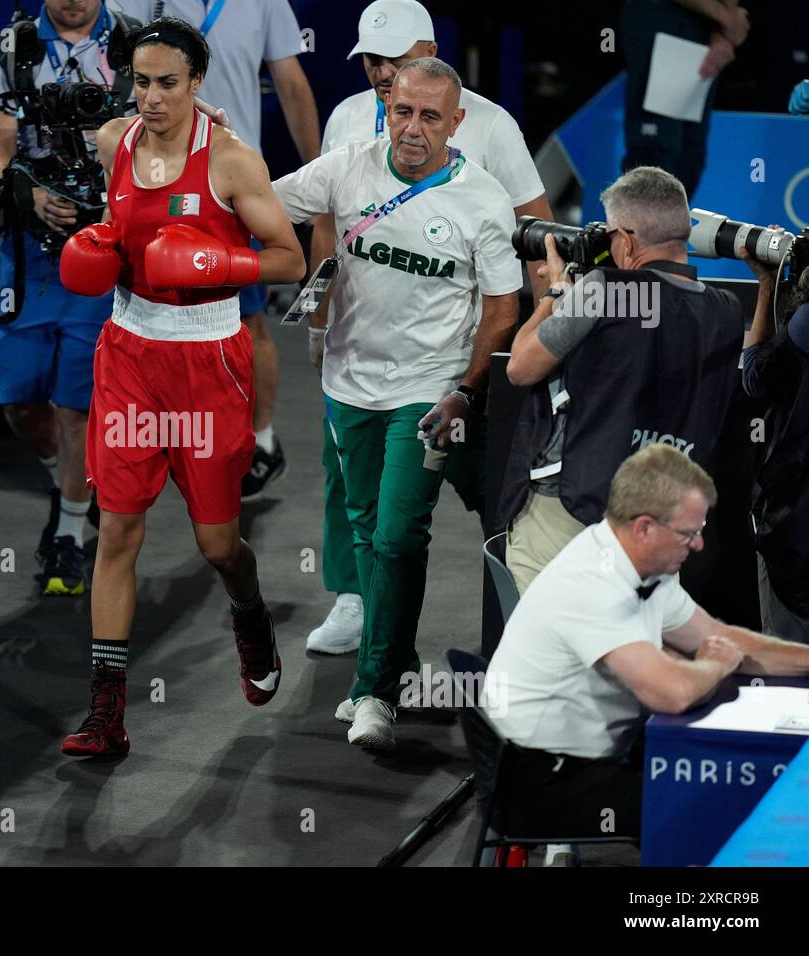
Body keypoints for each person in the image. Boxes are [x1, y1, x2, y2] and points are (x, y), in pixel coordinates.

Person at [56, 17, 306, 756]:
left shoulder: (232, 161)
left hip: (209, 364)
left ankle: (250, 612)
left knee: (217, 542)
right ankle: (106, 712)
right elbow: (116, 219)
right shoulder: (114, 143)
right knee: (118, 529)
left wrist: (212, 265)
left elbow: (291, 260)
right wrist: (102, 241)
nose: (153, 97)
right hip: (131, 356)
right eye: (141, 82)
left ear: (199, 82)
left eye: (168, 83)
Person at [273, 57, 521, 749]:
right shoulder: (344, 168)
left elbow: (502, 308)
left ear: (457, 122)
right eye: (402, 111)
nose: (412, 128)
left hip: (427, 393)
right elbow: (256, 202)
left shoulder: (481, 201)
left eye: (430, 117)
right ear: (387, 106)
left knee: (396, 535)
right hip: (348, 386)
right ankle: (400, 660)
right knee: (364, 530)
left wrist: (465, 389)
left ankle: (374, 690)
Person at [304, 0, 553, 655]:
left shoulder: (492, 127)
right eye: (372, 60)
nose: (383, 72)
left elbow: (538, 231)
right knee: (348, 479)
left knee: (486, 483)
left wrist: (550, 333)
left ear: (432, 49)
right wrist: (316, 314)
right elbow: (327, 220)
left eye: (396, 58)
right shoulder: (347, 119)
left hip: (456, 355)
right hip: (359, 344)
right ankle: (355, 598)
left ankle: (529, 599)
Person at [483, 445, 809, 843]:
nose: (699, 545)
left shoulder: (645, 565)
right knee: (719, 803)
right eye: (689, 533)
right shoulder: (593, 583)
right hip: (540, 782)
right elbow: (671, 694)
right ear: (644, 528)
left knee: (731, 775)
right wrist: (716, 664)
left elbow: (720, 639)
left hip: (594, 754)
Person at [115, 0, 323, 502]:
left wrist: (319, 181)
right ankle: (152, 442)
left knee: (246, 324)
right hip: (150, 164)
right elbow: (116, 57)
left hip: (225, 179)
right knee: (138, 299)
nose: (153, 92)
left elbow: (291, 83)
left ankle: (261, 440)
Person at [501, 166, 743, 594]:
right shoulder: (725, 310)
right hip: (664, 518)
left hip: (574, 510)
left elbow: (520, 366)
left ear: (626, 240)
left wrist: (558, 290)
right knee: (635, 648)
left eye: (610, 234)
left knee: (553, 652)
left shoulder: (604, 291)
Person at [0, 0, 141, 597]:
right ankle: (69, 485)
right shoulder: (8, 49)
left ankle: (69, 534)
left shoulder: (134, 44)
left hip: (103, 250)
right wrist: (27, 191)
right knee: (19, 399)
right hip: (24, 251)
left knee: (77, 404)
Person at [738, 236, 809, 644]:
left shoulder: (803, 327)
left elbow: (755, 376)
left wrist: (768, 286)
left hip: (794, 529)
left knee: (788, 671)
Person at [620, 0, 749, 197]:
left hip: (703, 34)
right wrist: (725, 17)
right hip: (662, 25)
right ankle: (639, 226)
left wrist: (723, 34)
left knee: (689, 158)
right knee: (654, 157)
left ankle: (672, 226)